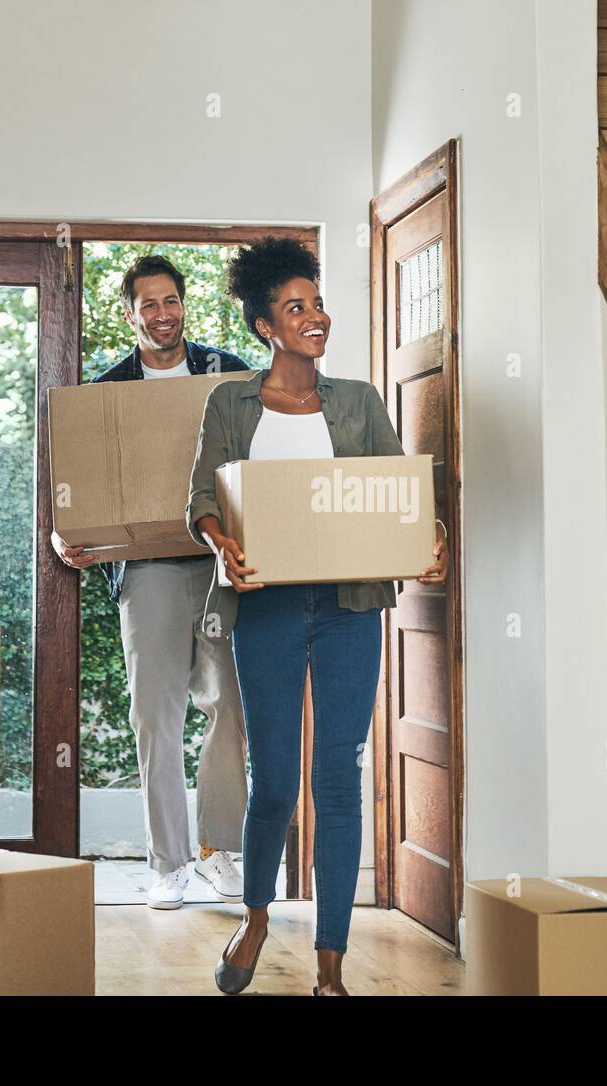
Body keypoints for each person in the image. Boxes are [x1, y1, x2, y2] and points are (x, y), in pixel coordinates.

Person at [185, 236, 448, 996]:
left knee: (339, 775)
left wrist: (427, 536)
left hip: (348, 607)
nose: (315, 317)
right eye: (295, 308)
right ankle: (257, 916)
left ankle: (331, 967)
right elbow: (202, 498)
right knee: (272, 779)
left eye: (318, 304)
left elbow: (400, 494)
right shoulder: (230, 404)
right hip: (264, 604)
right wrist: (217, 543)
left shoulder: (358, 403)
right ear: (266, 325)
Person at [51, 254, 251, 909]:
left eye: (172, 302)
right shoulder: (106, 392)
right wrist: (66, 532)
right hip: (149, 571)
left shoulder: (230, 375)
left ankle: (219, 849)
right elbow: (72, 487)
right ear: (129, 313)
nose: (163, 314)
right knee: (155, 718)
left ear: (183, 304)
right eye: (149, 305)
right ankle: (168, 862)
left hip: (222, 562)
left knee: (229, 707)